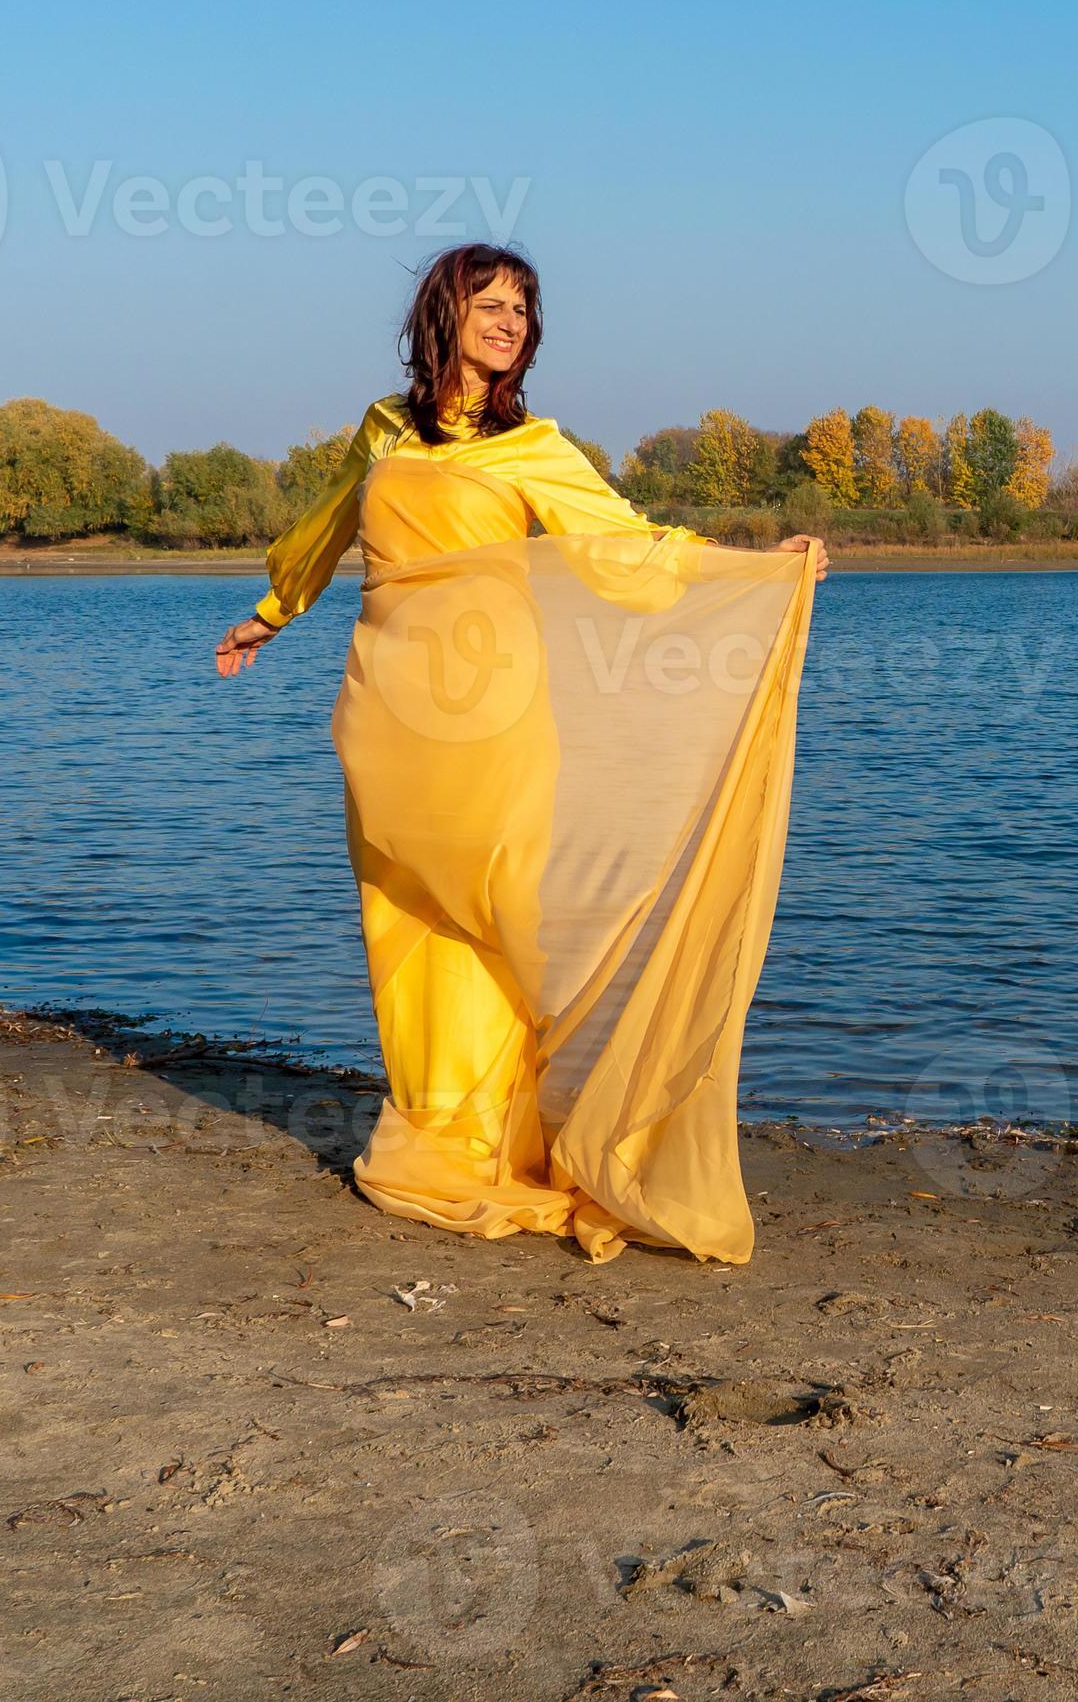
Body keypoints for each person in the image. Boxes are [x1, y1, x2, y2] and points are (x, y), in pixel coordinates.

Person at [215, 244, 828, 1262]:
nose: (506, 321)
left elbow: (627, 549)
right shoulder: (381, 429)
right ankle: (445, 1132)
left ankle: (529, 1133)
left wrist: (751, 570)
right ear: (441, 314)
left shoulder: (536, 447)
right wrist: (269, 616)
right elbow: (326, 528)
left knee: (506, 918)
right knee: (410, 924)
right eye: (488, 303)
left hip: (497, 720)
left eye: (520, 310)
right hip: (387, 714)